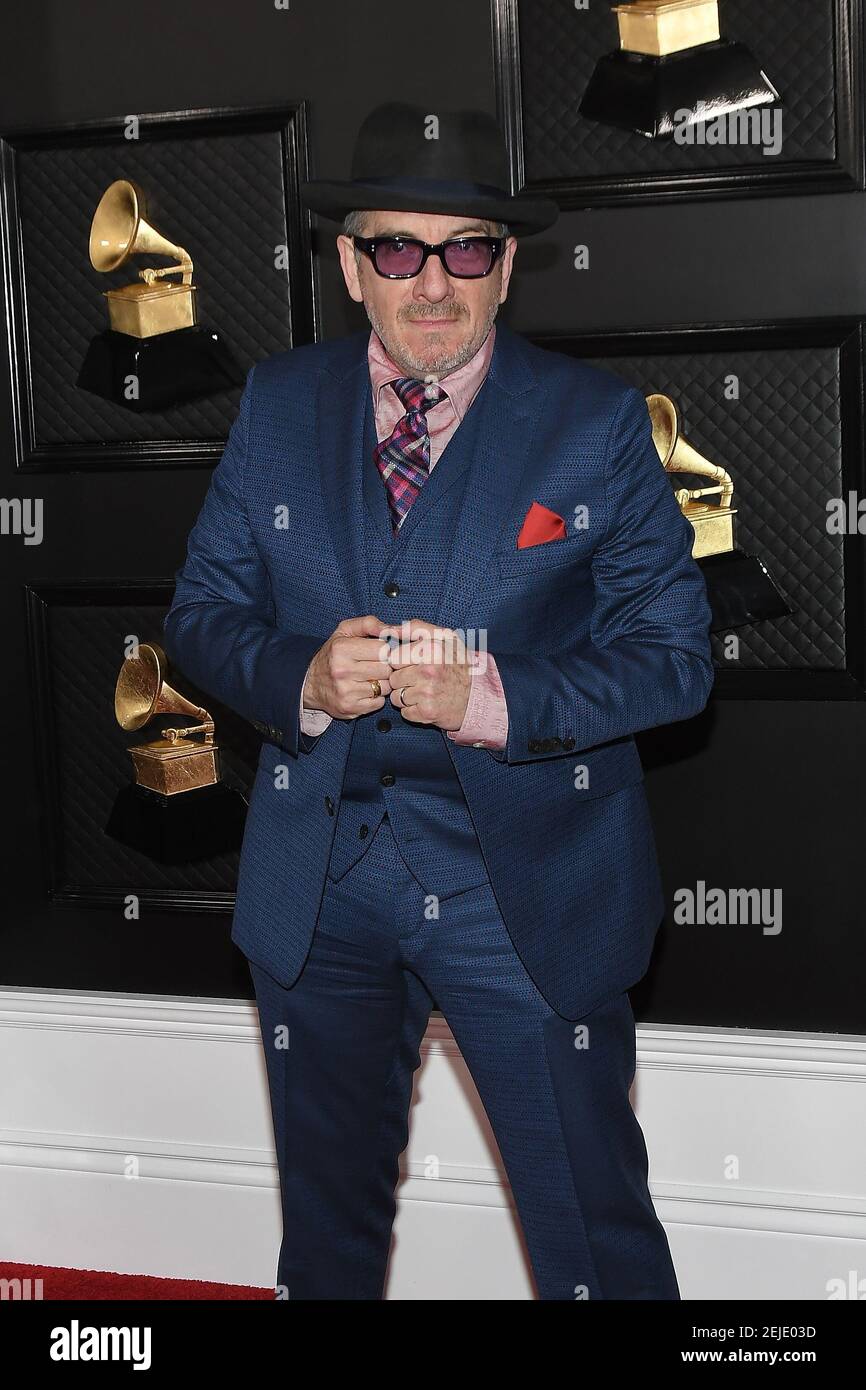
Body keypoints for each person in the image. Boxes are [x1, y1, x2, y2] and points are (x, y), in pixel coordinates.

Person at [163, 100, 714, 1301]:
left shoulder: (598, 426)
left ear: (506, 266)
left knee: (592, 1245)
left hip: (523, 892)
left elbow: (674, 656)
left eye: (464, 249)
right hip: (321, 890)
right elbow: (199, 620)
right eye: (397, 250)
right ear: (351, 264)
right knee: (325, 1244)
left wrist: (495, 696)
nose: (431, 284)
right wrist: (299, 678)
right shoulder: (272, 404)